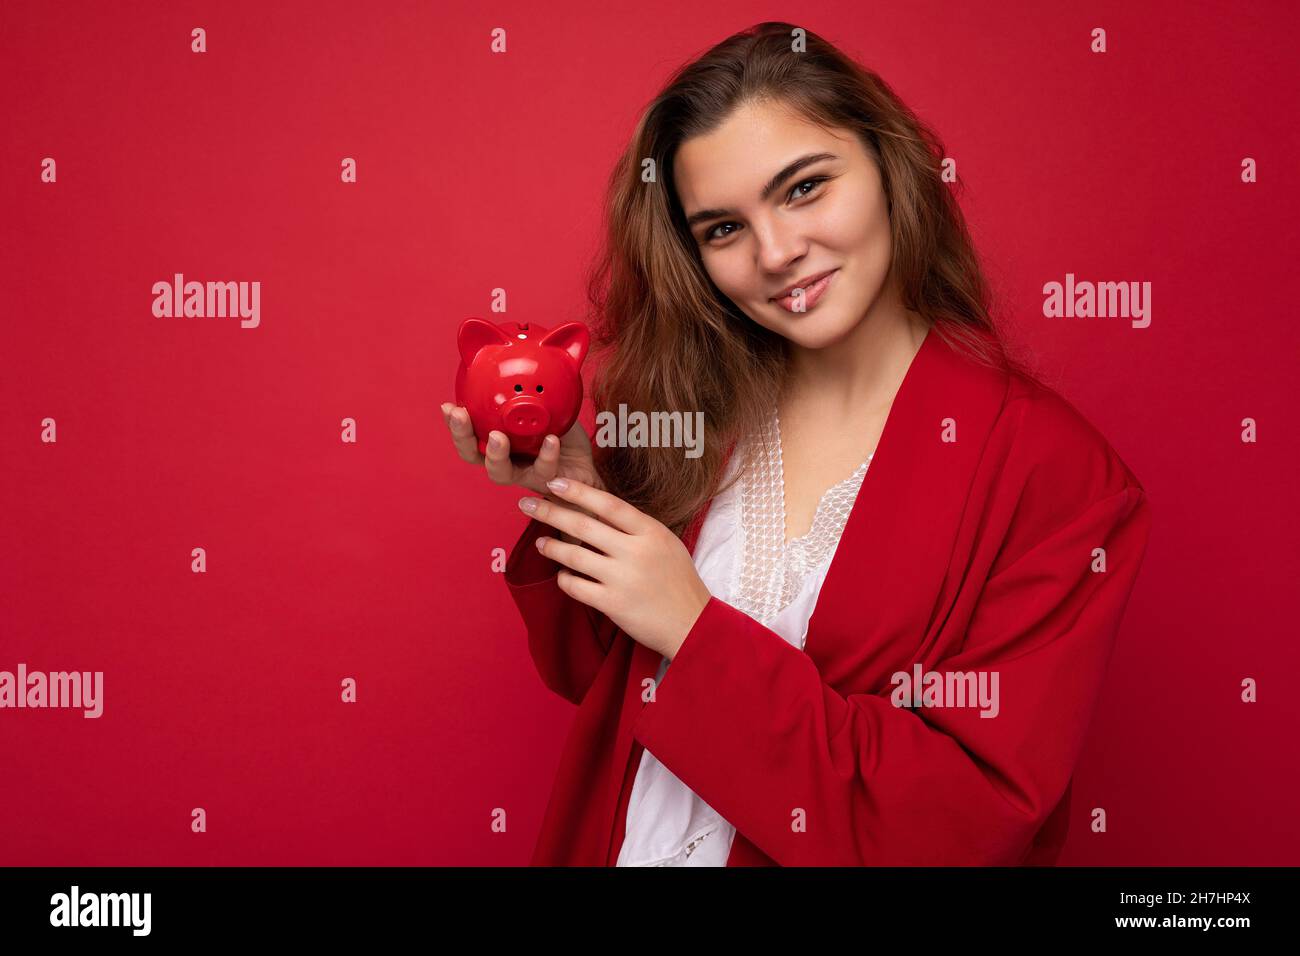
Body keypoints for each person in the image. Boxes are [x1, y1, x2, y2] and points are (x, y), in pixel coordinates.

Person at [440, 21, 1151, 866]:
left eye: (805, 188)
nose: (777, 253)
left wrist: (696, 630)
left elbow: (966, 818)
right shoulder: (686, 408)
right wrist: (581, 501)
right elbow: (601, 684)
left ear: (891, 163)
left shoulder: (1057, 477)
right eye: (722, 230)